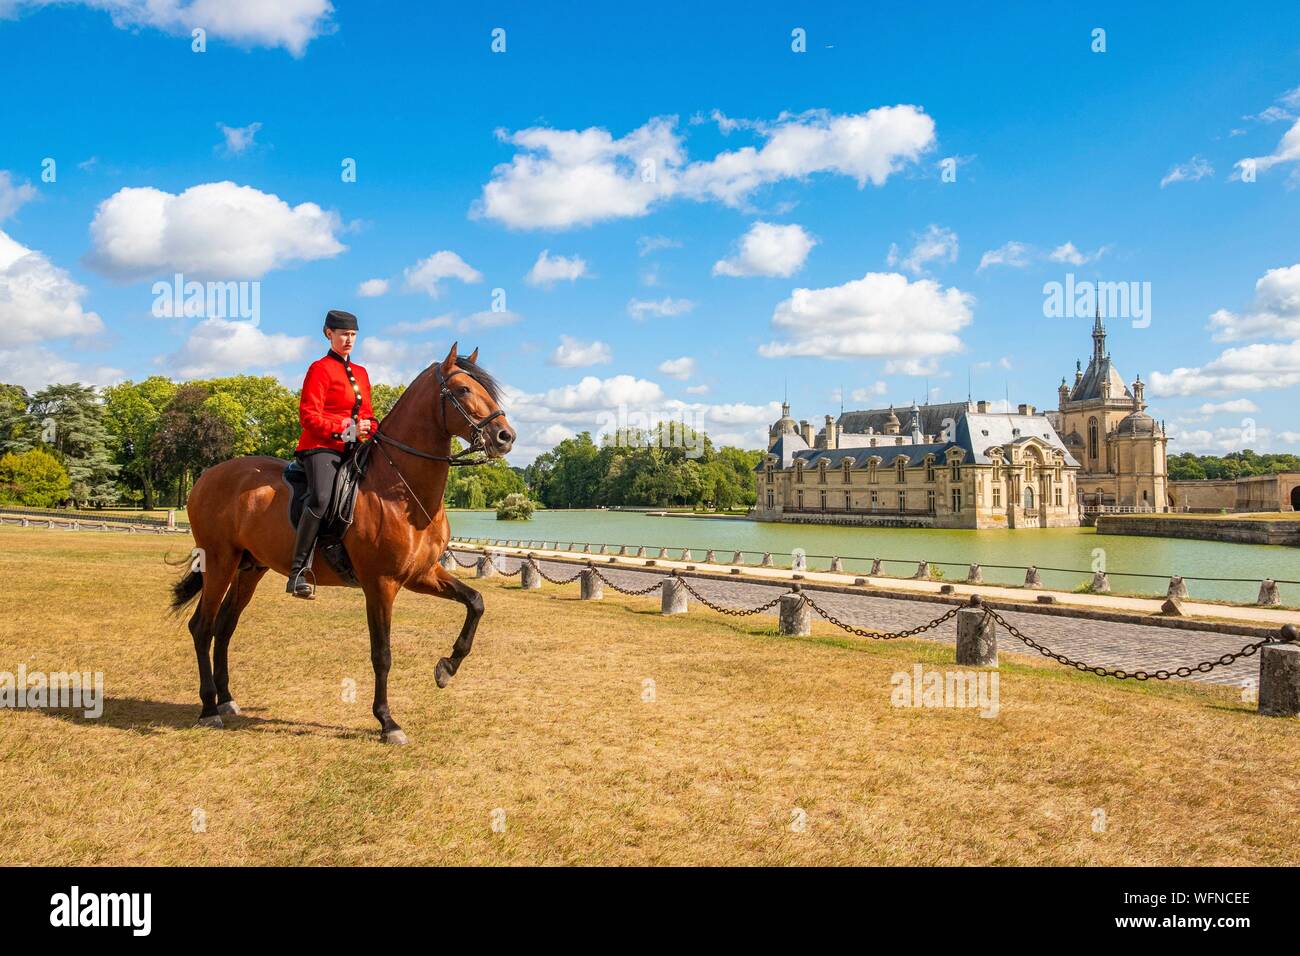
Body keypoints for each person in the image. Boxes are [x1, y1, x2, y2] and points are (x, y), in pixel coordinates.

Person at [286, 309, 379, 598]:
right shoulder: (319, 368)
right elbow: (308, 416)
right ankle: (298, 571)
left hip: (354, 448)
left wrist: (372, 430)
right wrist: (350, 428)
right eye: (343, 334)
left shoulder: (361, 373)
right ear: (329, 334)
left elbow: (369, 417)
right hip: (320, 446)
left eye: (353, 335)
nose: (349, 339)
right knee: (322, 498)